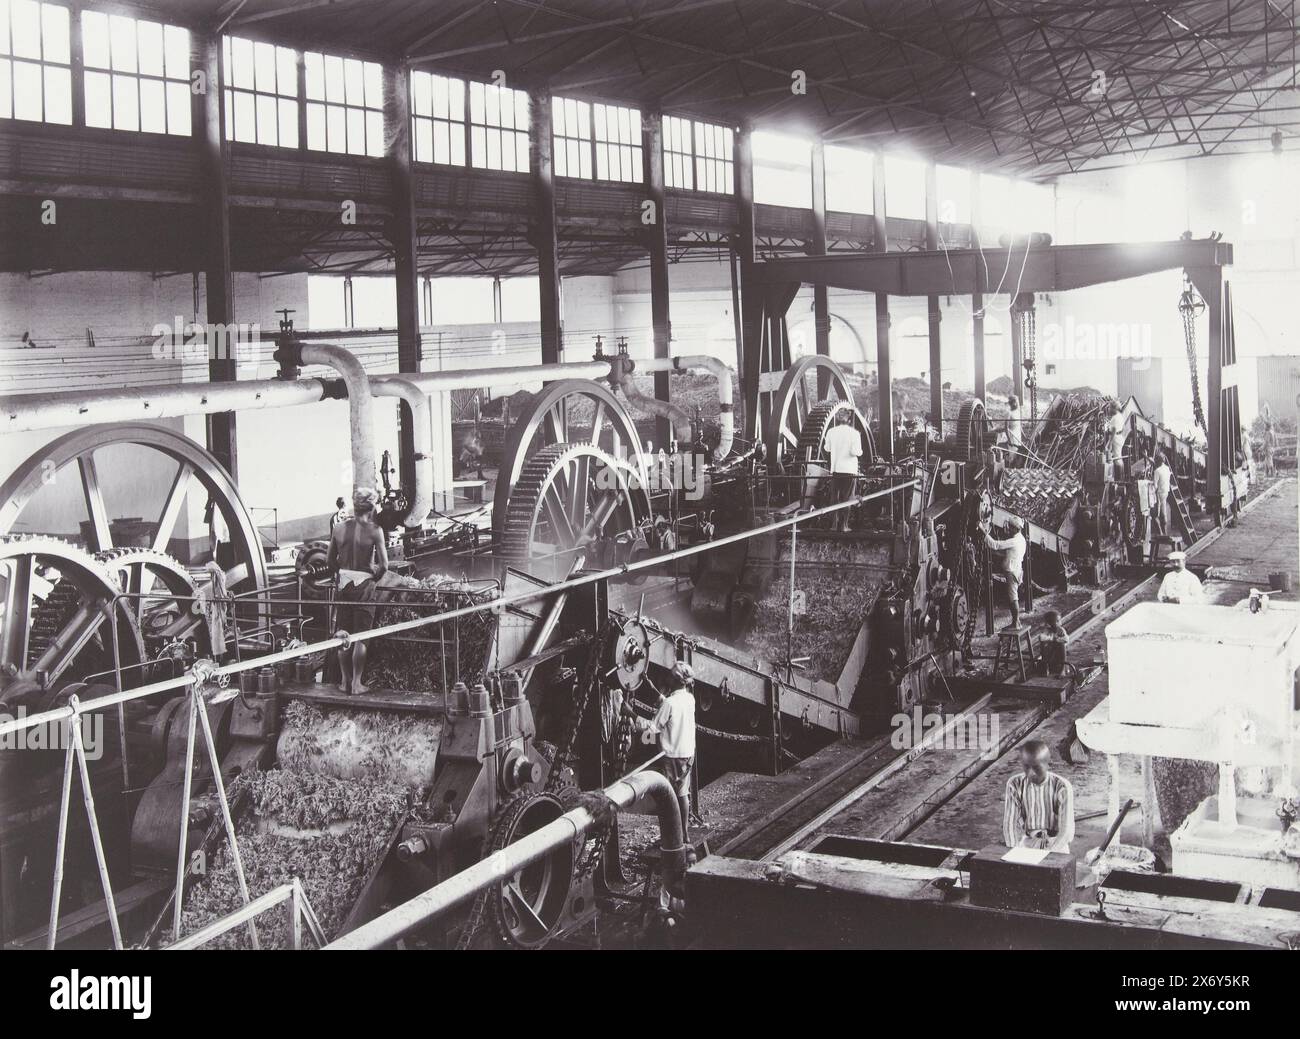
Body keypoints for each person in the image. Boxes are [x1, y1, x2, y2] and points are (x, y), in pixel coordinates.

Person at [327, 487, 388, 694]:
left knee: (343, 634)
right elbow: (385, 566)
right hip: (364, 585)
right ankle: (356, 683)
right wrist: (373, 577)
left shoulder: (339, 528)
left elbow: (329, 561)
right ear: (372, 507)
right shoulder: (374, 531)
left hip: (343, 583)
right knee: (362, 636)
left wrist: (342, 574)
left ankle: (344, 681)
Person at [635, 661, 697, 840]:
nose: (667, 676)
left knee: (666, 797)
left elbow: (652, 729)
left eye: (670, 674)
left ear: (677, 680)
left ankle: (670, 838)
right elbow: (670, 705)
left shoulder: (669, 703)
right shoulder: (689, 698)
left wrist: (630, 714)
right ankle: (684, 834)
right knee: (682, 794)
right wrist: (651, 687)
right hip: (687, 754)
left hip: (670, 758)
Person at [1003, 740, 1074, 853]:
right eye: (1026, 767)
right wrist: (1014, 852)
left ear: (1048, 764)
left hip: (1057, 844)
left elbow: (1066, 830)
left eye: (1036, 767)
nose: (1031, 773)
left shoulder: (1062, 787)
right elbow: (1009, 825)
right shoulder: (1014, 784)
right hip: (1028, 843)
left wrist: (1051, 853)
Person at [983, 514, 1028, 629]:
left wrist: (983, 530)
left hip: (1012, 571)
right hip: (1016, 570)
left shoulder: (1014, 540)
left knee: (1013, 597)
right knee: (1012, 596)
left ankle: (1016, 622)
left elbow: (995, 545)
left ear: (1016, 529)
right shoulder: (1021, 540)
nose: (1008, 528)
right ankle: (1016, 622)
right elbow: (1007, 553)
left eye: (1010, 527)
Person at [823, 410, 863, 532]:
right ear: (849, 420)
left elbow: (827, 448)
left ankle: (834, 525)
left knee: (834, 497)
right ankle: (844, 526)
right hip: (850, 469)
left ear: (837, 420)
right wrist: (860, 452)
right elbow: (855, 452)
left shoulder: (831, 432)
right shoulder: (854, 433)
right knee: (848, 498)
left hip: (835, 469)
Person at [1039, 609, 1068, 677]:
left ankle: (1062, 669)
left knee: (1062, 644)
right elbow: (1041, 637)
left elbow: (1066, 639)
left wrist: (1057, 639)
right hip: (1050, 653)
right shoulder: (1047, 630)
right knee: (1043, 644)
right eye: (1057, 621)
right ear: (1050, 623)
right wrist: (1051, 638)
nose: (1060, 622)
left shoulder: (1061, 630)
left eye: (1059, 620)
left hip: (1059, 654)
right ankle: (1046, 667)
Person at [1151, 453, 1172, 536]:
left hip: (1159, 493)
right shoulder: (1167, 469)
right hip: (1166, 492)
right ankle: (1165, 533)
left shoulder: (1157, 471)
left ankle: (1161, 533)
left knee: (1155, 514)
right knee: (1164, 512)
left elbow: (1155, 486)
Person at [1005, 395, 1024, 463]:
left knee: (1018, 456)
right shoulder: (1009, 413)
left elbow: (1019, 425)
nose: (1017, 404)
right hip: (1012, 437)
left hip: (1018, 437)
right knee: (1012, 457)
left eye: (1017, 402)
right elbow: (1006, 428)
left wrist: (1024, 436)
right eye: (1016, 402)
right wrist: (1009, 440)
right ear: (1012, 403)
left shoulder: (1018, 412)